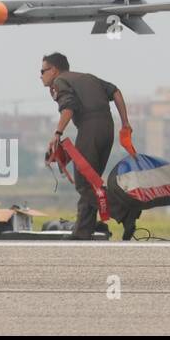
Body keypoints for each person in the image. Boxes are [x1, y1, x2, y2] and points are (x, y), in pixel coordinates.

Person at [41, 52, 131, 240]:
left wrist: (57, 133)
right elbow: (116, 91)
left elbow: (68, 108)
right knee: (92, 182)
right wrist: (125, 123)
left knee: (84, 184)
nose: (40, 75)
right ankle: (83, 231)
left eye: (43, 71)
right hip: (108, 128)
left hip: (90, 130)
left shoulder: (60, 82)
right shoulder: (87, 77)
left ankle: (124, 213)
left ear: (54, 70)